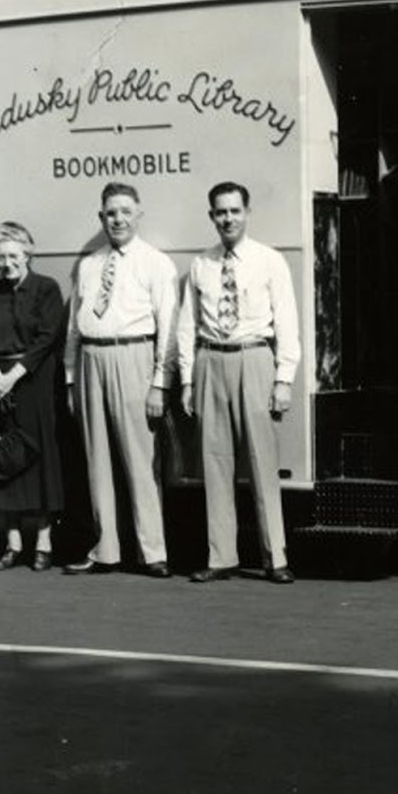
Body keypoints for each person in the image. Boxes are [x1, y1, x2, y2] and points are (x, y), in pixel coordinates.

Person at [177, 181, 300, 585]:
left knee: (263, 464)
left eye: (234, 211)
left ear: (246, 213)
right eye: (220, 212)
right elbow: (186, 325)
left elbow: (287, 323)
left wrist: (283, 379)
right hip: (211, 360)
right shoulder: (201, 265)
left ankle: (274, 556)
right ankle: (221, 556)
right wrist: (187, 381)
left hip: (255, 358)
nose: (227, 218)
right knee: (215, 464)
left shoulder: (269, 261)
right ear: (211, 216)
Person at [63, 182, 177, 578]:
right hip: (92, 358)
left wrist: (160, 383)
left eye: (126, 211)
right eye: (111, 213)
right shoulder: (90, 264)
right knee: (97, 459)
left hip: (135, 356)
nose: (118, 219)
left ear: (138, 214)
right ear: (101, 217)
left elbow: (168, 327)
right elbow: (74, 327)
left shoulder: (156, 263)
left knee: (140, 459)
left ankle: (152, 551)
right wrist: (70, 379)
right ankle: (105, 548)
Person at [0, 221, 65, 571]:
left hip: (33, 383)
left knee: (38, 463)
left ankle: (43, 541)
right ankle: (12, 543)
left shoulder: (46, 289)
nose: (7, 263)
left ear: (28, 253)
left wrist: (14, 375)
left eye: (13, 255)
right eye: (0, 257)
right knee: (3, 462)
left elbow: (47, 337)